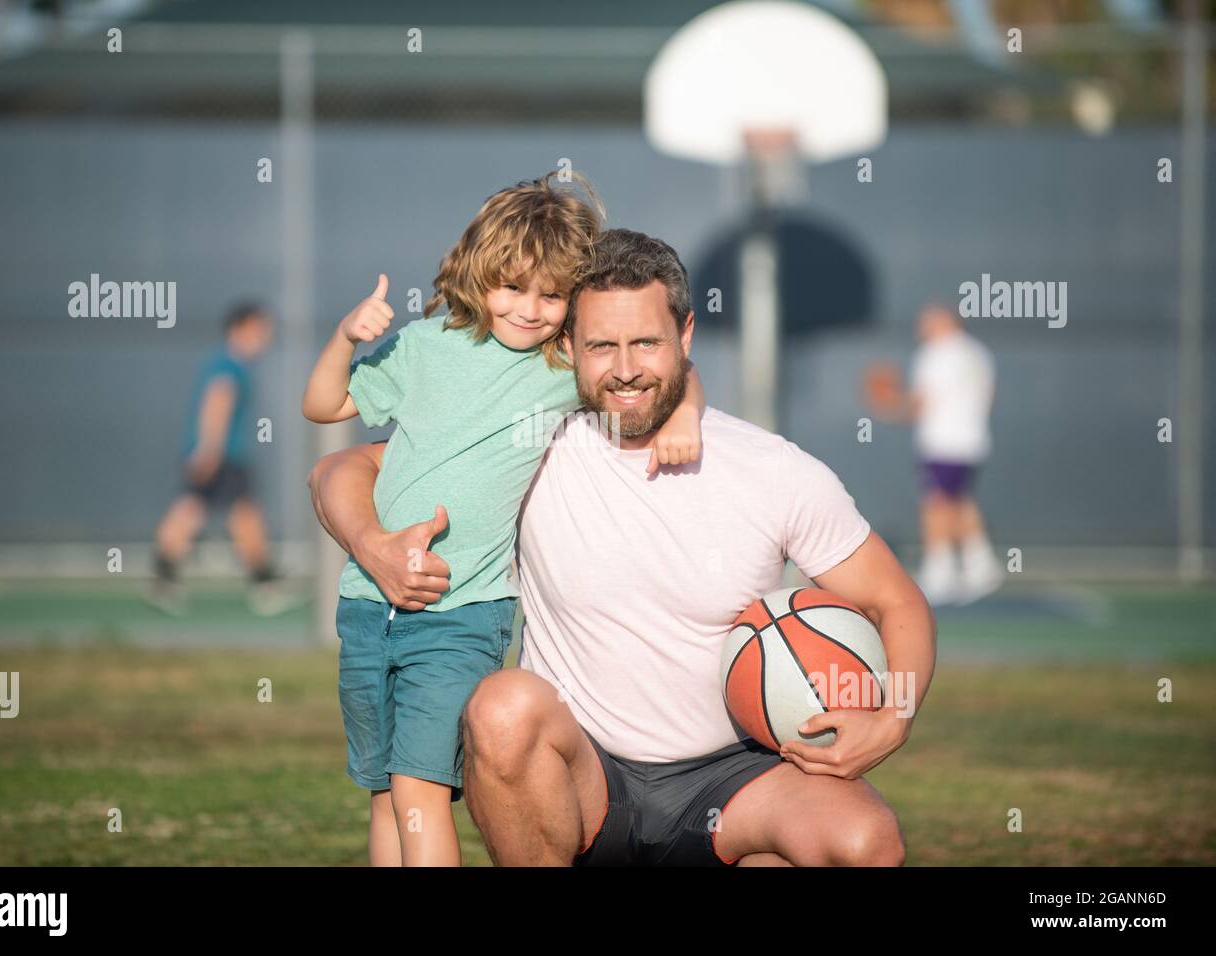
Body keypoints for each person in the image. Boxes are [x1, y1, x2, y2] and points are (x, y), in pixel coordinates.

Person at [311, 228, 935, 867]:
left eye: (647, 342)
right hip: (586, 779)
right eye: (602, 346)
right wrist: (372, 542)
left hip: (738, 778)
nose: (627, 367)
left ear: (685, 335)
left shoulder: (774, 470)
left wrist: (894, 717)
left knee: (863, 843)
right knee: (501, 708)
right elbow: (340, 471)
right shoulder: (532, 444)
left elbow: (896, 602)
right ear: (567, 348)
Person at [302, 180, 707, 867]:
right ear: (477, 273)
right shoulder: (423, 347)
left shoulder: (560, 367)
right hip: (369, 607)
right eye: (513, 288)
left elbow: (670, 373)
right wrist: (345, 338)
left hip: (462, 615)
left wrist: (687, 414)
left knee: (418, 790)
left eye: (551, 296)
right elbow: (323, 403)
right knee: (382, 795)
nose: (530, 310)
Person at [149, 302, 290, 616]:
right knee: (238, 513)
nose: (265, 338)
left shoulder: (225, 363)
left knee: (195, 508)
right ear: (241, 328)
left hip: (218, 453)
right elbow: (217, 402)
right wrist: (209, 450)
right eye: (260, 329)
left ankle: (164, 577)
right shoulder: (229, 366)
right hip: (224, 455)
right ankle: (264, 583)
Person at [865, 303, 1002, 606]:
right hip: (973, 440)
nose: (921, 326)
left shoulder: (935, 353)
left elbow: (919, 403)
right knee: (959, 499)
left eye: (927, 320)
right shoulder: (978, 352)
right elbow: (989, 397)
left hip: (944, 441)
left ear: (944, 321)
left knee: (935, 503)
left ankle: (940, 571)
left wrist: (889, 408)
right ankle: (981, 564)